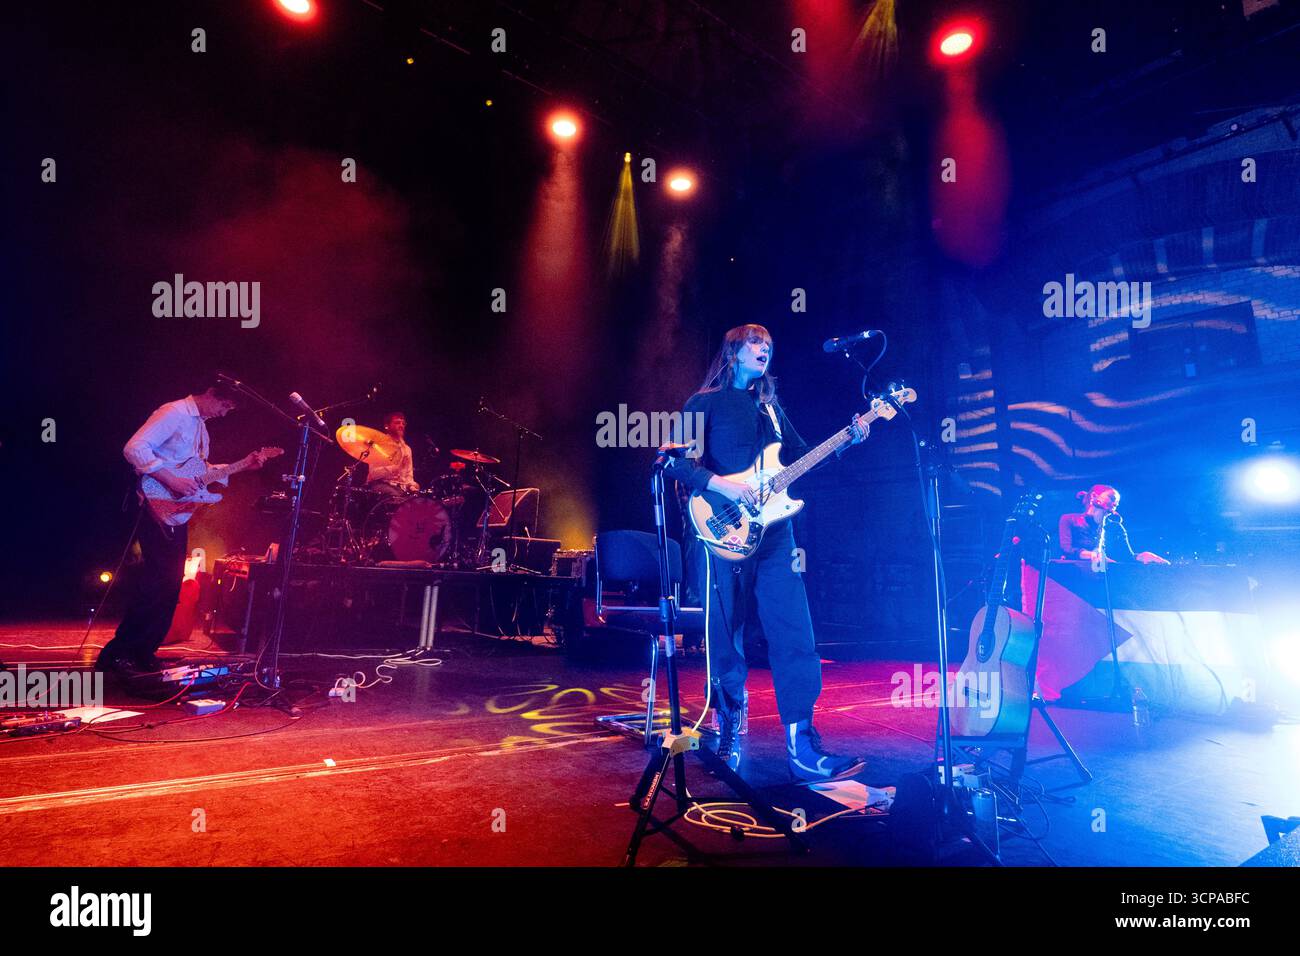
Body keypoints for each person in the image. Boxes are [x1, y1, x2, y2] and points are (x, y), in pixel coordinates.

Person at [669, 324, 869, 783]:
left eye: (769, 346)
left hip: (777, 534)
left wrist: (847, 439)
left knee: (794, 631)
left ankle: (802, 744)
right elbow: (673, 461)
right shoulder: (705, 402)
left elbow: (801, 456)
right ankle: (728, 729)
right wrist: (724, 485)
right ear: (734, 351)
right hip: (723, 531)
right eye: (756, 344)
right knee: (726, 636)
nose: (765, 350)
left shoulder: (771, 407)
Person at [96, 383, 241, 674]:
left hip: (176, 512)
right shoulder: (174, 413)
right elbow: (134, 448)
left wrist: (243, 465)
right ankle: (117, 654)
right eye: (224, 406)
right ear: (212, 393)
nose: (224, 414)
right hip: (154, 505)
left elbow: (195, 469)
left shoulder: (200, 427)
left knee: (170, 583)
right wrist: (172, 481)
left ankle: (143, 651)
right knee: (157, 581)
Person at [1058, 484, 1170, 565]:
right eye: (1112, 498)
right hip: (1074, 578)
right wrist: (1093, 555)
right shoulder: (1069, 519)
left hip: (1103, 579)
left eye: (1117, 502)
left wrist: (1141, 556)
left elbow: (1126, 556)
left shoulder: (1115, 527)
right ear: (1093, 496)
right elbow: (1067, 549)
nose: (1115, 503)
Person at [365, 411, 420, 495]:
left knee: (418, 501)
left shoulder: (407, 449)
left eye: (403, 423)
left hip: (400, 488)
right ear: (387, 426)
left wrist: (411, 485)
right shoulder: (380, 445)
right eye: (397, 423)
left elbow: (409, 474)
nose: (401, 425)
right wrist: (395, 468)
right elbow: (374, 474)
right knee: (396, 497)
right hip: (380, 484)